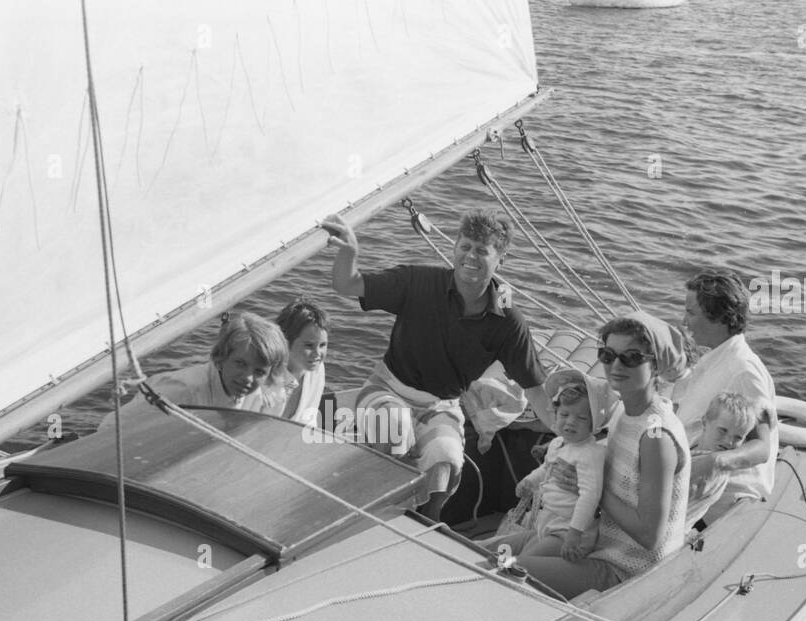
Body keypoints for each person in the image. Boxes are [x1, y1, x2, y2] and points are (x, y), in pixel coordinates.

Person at [320, 210, 555, 520]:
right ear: (454, 248)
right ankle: (376, 514)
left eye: (482, 251)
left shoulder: (508, 320)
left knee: (446, 458)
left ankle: (426, 521)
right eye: (465, 246)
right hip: (385, 388)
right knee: (394, 428)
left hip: (441, 405)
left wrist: (571, 435)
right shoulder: (418, 281)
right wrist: (350, 250)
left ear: (501, 260)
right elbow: (347, 285)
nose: (471, 256)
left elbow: (535, 389)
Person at [518, 311, 690, 599]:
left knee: (507, 567)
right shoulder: (625, 411)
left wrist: (590, 491)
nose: (616, 365)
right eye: (608, 355)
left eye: (632, 357)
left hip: (626, 569)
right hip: (594, 541)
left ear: (656, 366)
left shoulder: (655, 436)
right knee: (484, 550)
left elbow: (650, 537)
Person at [671, 269, 778, 522]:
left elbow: (761, 447)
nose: (684, 322)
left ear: (719, 318)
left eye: (691, 313)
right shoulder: (717, 356)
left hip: (717, 503)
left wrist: (715, 462)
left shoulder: (743, 371)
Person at [96, 313, 288, 436]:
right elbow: (110, 429)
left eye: (259, 372)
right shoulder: (182, 390)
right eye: (240, 363)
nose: (248, 377)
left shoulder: (256, 395)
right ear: (221, 358)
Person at [488, 369, 611, 560]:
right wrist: (529, 481)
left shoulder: (589, 454)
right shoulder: (557, 443)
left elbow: (590, 496)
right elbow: (546, 468)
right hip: (548, 521)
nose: (570, 422)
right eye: (564, 414)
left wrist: (575, 533)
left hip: (569, 531)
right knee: (496, 550)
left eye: (581, 418)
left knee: (519, 563)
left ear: (594, 424)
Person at [686, 391, 758, 528]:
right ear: (704, 423)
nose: (729, 442)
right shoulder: (692, 439)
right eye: (723, 431)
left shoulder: (712, 474)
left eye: (738, 438)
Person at [275, 297, 329, 426]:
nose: (317, 354)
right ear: (286, 342)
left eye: (322, 345)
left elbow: (309, 421)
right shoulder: (268, 377)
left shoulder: (317, 370)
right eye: (309, 345)